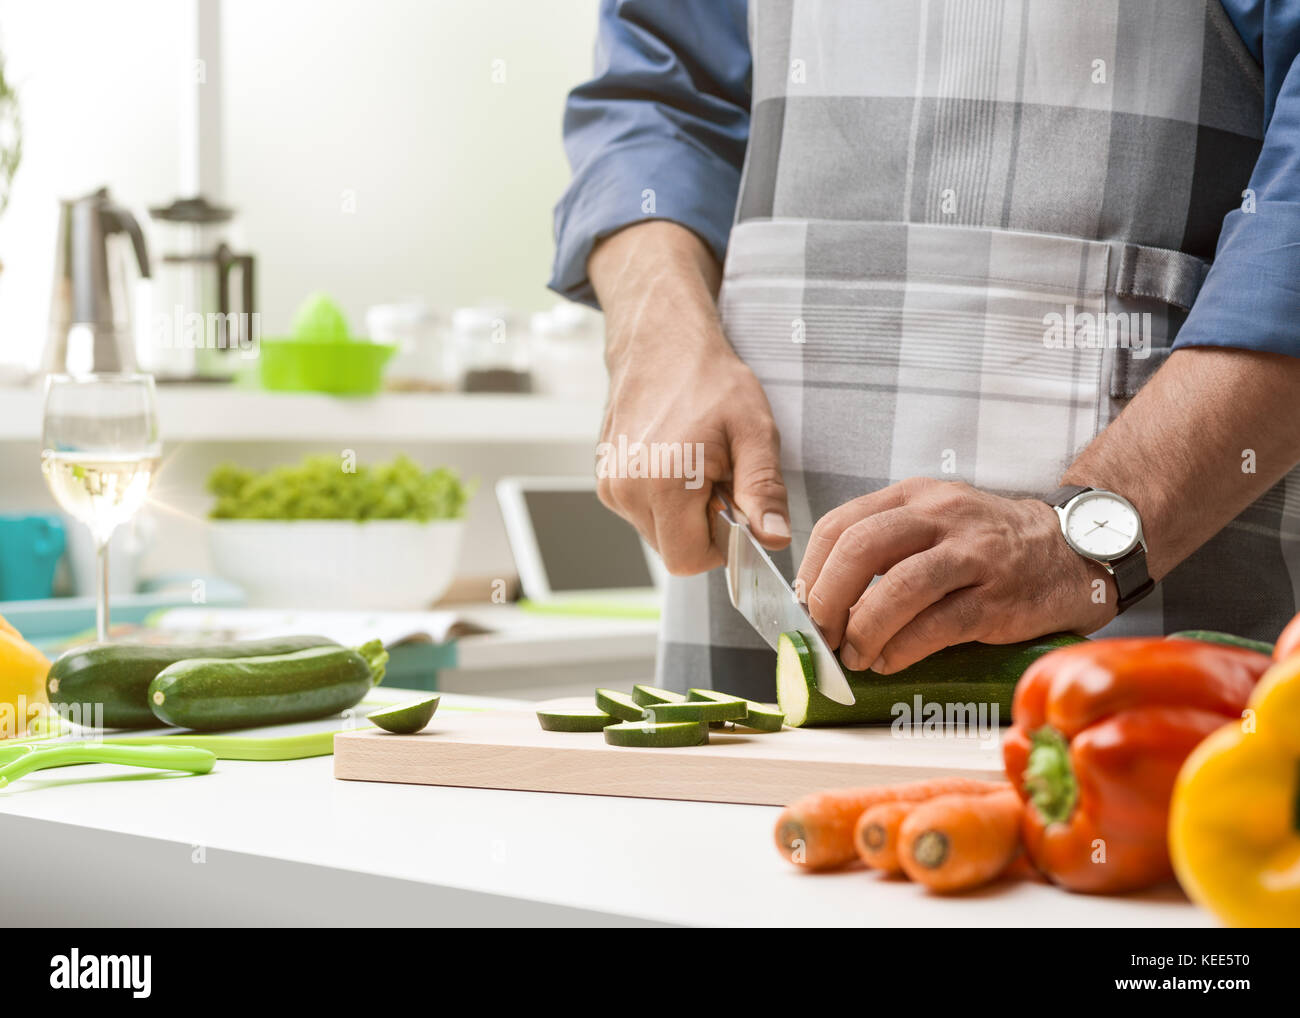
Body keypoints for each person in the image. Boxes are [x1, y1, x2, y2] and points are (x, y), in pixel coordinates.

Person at [550, 0, 1300, 700]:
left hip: (1160, 647)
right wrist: (657, 334)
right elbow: (656, 100)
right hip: (746, 622)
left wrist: (1087, 538)